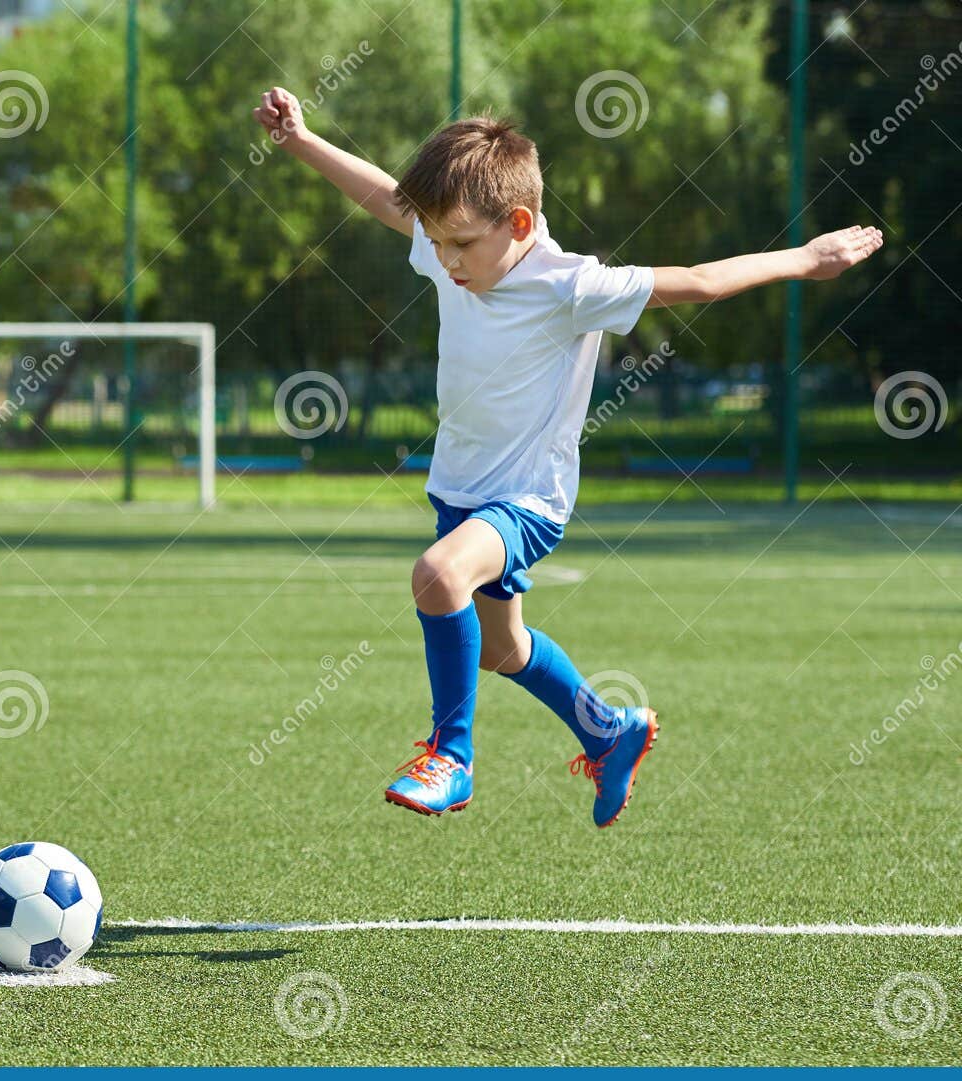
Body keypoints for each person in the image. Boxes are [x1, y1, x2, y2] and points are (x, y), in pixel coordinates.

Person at [253, 90, 882, 827]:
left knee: (438, 575)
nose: (444, 260)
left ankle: (451, 757)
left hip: (526, 500)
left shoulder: (573, 286)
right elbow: (389, 200)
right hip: (459, 491)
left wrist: (807, 259)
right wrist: (301, 140)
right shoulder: (458, 244)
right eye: (438, 242)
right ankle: (609, 733)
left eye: (460, 245)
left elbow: (702, 279)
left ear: (518, 224)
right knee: (502, 648)